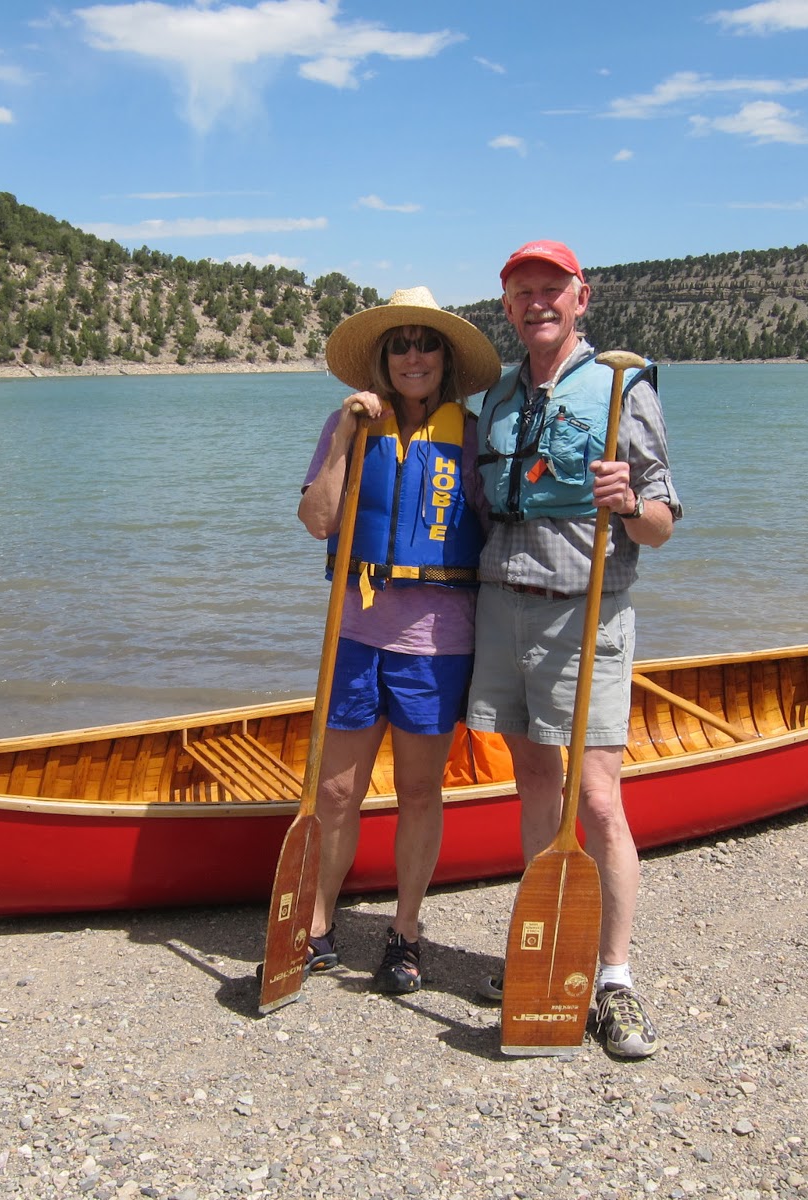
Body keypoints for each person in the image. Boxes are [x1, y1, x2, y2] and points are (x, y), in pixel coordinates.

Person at [466, 240, 681, 1057]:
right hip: (501, 609)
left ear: (580, 299)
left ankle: (615, 980)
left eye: (551, 289)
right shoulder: (501, 394)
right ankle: (548, 943)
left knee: (595, 800)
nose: (537, 303)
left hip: (583, 617)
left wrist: (628, 502)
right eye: (522, 292)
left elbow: (660, 526)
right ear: (510, 307)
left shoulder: (623, 388)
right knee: (533, 782)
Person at [298, 286, 502, 994]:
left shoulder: (473, 437)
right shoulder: (346, 425)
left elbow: (503, 533)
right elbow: (317, 521)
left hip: (438, 644)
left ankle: (405, 933)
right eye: (400, 344)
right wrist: (347, 440)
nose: (414, 355)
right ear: (383, 359)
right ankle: (317, 924)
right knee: (334, 794)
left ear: (445, 358)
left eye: (427, 342)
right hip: (355, 635)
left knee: (419, 793)